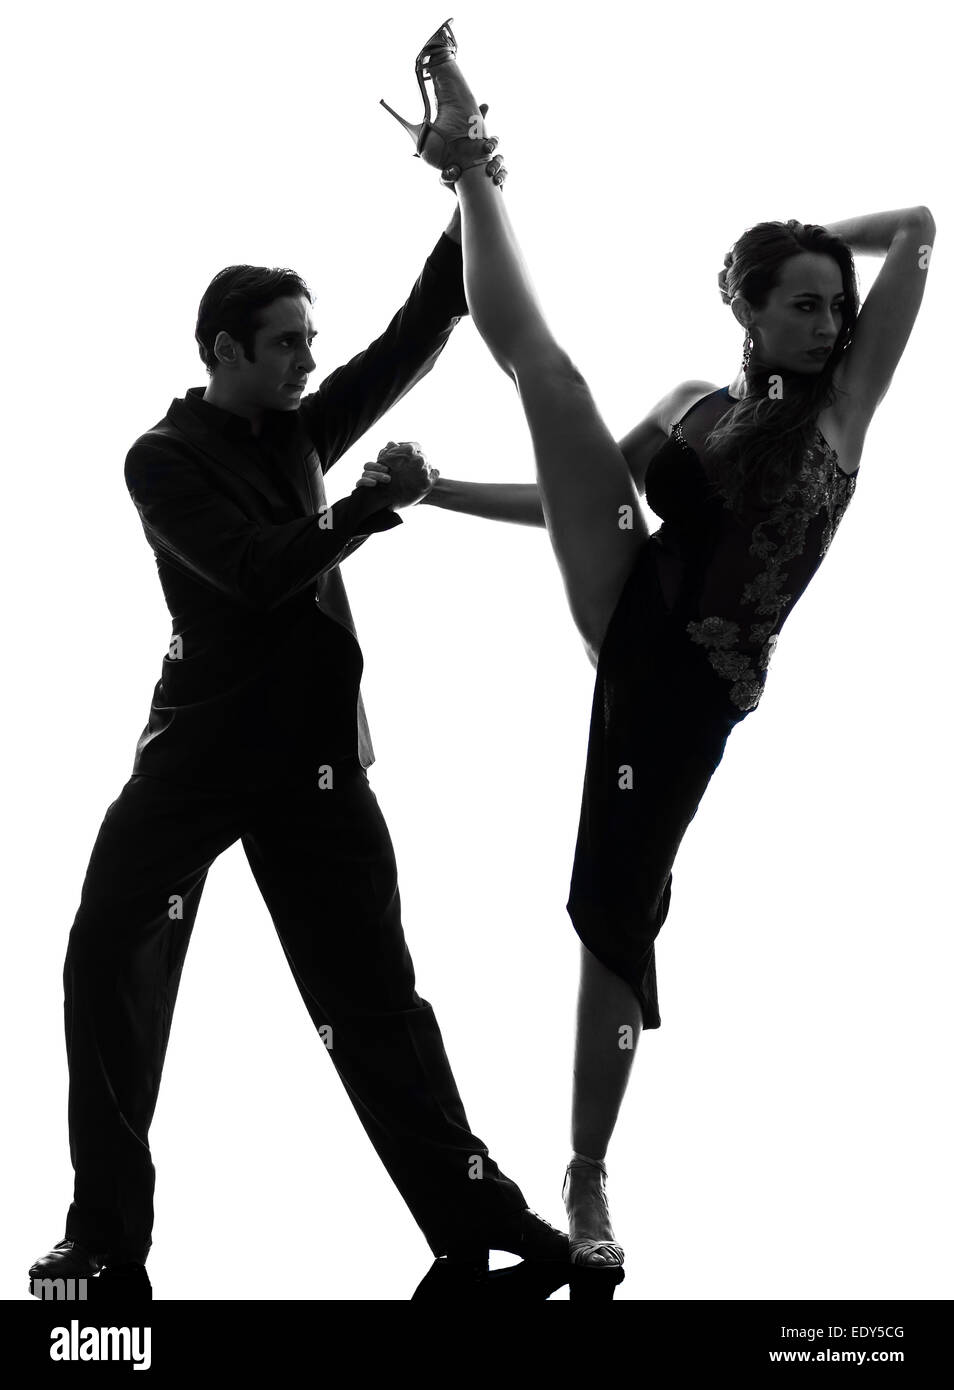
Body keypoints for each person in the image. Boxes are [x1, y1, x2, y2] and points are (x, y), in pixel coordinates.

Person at [375, 16, 935, 1299]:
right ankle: (471, 162)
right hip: (629, 596)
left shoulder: (846, 409)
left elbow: (918, 224)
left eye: (829, 308)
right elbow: (578, 496)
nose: (820, 320)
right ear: (742, 307)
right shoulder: (696, 400)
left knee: (619, 915)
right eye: (795, 302)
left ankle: (587, 1171)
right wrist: (438, 492)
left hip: (694, 687)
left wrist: (817, 241)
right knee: (553, 377)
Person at [27, 206, 572, 1302]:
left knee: (376, 998)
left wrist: (469, 188)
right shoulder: (160, 459)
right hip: (199, 760)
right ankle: (102, 1240)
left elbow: (421, 326)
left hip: (317, 765)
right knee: (106, 958)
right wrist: (370, 505)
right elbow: (253, 568)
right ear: (223, 350)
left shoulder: (297, 431)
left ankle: (484, 1217)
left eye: (309, 343)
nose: (307, 361)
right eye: (285, 343)